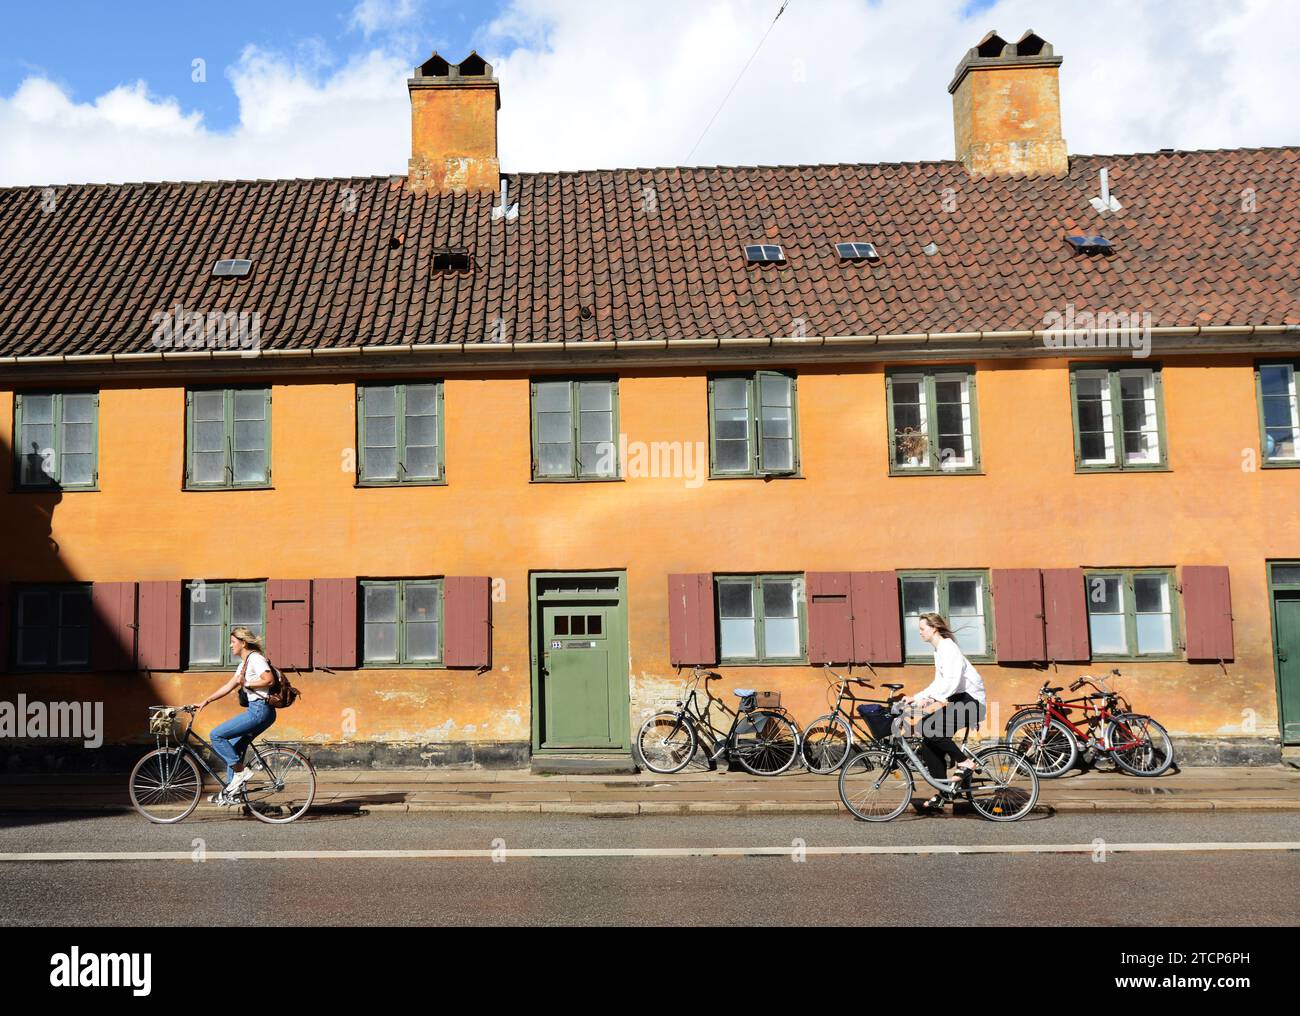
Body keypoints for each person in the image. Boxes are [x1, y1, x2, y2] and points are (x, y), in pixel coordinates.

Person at [903, 611, 987, 813]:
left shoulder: (949, 648)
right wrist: (917, 696)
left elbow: (952, 681)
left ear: (934, 628)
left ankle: (966, 763)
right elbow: (939, 682)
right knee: (927, 738)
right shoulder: (939, 650)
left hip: (972, 701)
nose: (920, 632)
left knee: (930, 727)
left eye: (923, 628)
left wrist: (931, 699)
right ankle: (945, 791)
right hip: (959, 699)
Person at [193, 627, 278, 806]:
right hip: (258, 711)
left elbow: (269, 680)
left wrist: (246, 683)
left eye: (233, 642)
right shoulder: (244, 664)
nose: (230, 646)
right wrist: (205, 701)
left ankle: (241, 773)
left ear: (243, 643)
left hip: (259, 710)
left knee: (217, 735)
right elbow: (228, 686)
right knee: (234, 745)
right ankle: (234, 792)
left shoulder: (256, 659)